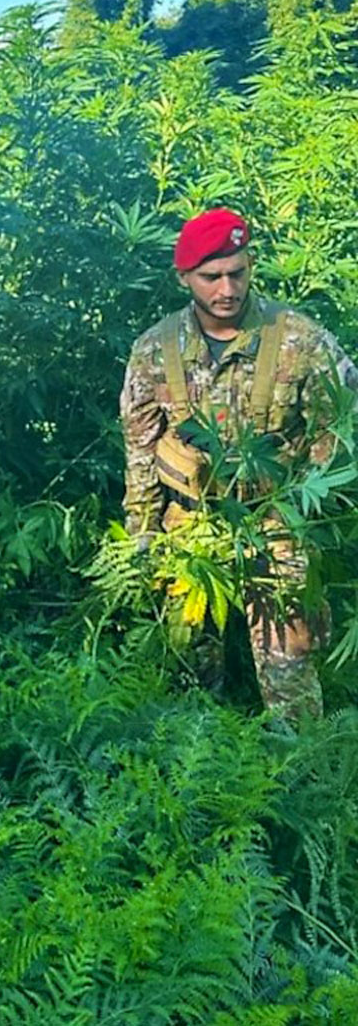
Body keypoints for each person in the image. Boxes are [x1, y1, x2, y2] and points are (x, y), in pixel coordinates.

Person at [119, 207, 358, 720]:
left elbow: (339, 427)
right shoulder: (155, 351)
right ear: (184, 278)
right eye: (211, 277)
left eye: (237, 272)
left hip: (277, 518)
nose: (226, 289)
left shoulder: (300, 339)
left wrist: (300, 504)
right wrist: (142, 533)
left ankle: (306, 776)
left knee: (289, 659)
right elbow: (141, 449)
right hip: (191, 525)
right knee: (187, 659)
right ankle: (199, 769)